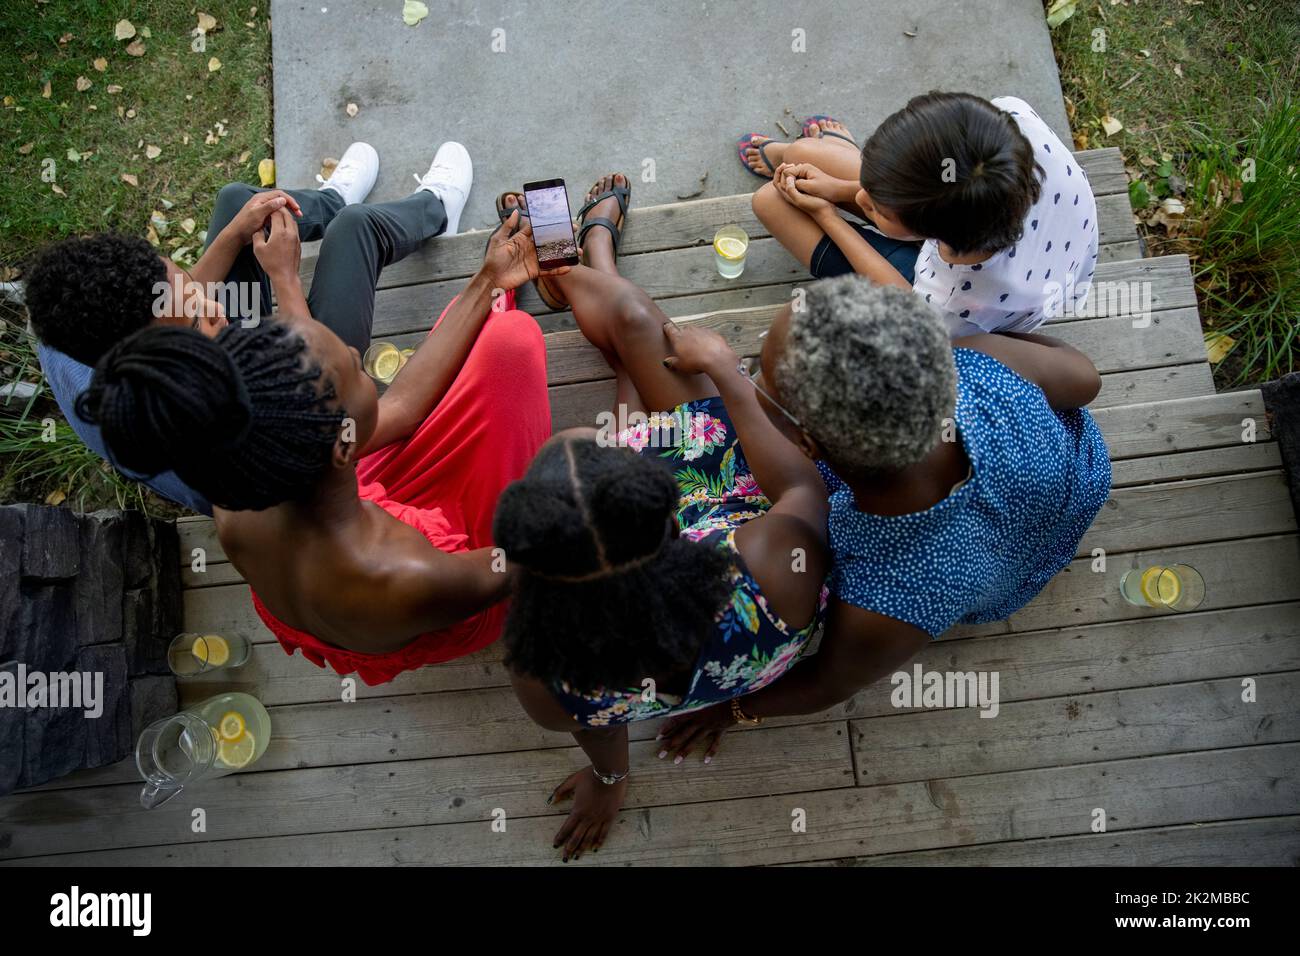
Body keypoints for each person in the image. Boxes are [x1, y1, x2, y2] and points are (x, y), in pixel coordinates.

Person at [76, 205, 562, 685]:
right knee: (513, 342)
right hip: (441, 586)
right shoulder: (404, 575)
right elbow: (533, 559)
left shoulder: (239, 486)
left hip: (345, 538)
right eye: (355, 369)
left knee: (495, 339)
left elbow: (404, 406)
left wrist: (486, 280)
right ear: (345, 446)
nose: (356, 351)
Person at [496, 175, 830, 861]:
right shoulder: (772, 569)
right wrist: (729, 373)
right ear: (673, 517)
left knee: (635, 333)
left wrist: (611, 780)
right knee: (640, 328)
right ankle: (588, 259)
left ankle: (580, 264)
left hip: (647, 540)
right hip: (730, 504)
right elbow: (799, 480)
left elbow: (596, 727)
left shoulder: (544, 676)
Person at [656, 274, 1112, 760]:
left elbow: (827, 683)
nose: (749, 376)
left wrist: (731, 709)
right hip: (1071, 481)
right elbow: (1087, 379)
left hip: (997, 569)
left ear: (807, 446)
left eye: (759, 376)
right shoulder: (983, 370)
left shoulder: (886, 597)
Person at [24, 140, 473, 513]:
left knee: (237, 203)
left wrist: (234, 234)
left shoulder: (76, 337)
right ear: (164, 341)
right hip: (310, 420)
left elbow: (174, 298)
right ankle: (435, 208)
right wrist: (284, 278)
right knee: (355, 231)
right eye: (185, 296)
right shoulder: (217, 424)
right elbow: (339, 407)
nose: (200, 292)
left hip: (259, 391)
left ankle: (331, 202)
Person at [742, 94, 1099, 336]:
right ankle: (829, 155)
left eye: (876, 207)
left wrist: (828, 216)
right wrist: (836, 188)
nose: (861, 196)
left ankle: (837, 153)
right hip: (1007, 244)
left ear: (931, 235)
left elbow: (906, 300)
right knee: (804, 152)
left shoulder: (954, 301)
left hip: (946, 300)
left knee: (769, 201)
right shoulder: (1012, 122)